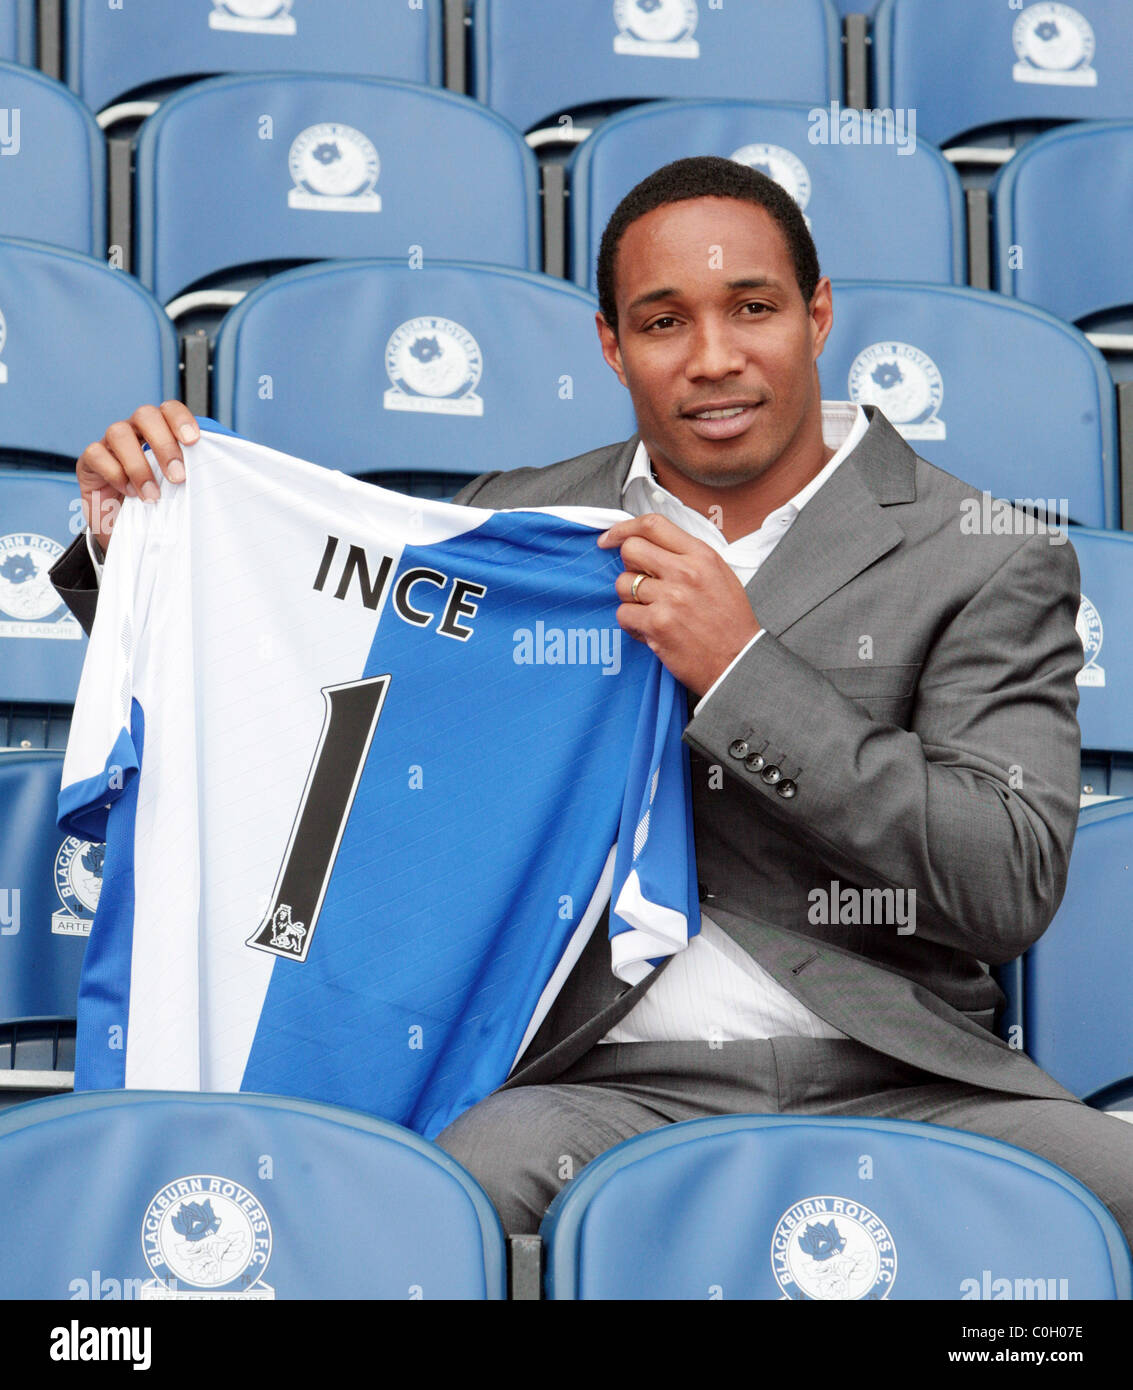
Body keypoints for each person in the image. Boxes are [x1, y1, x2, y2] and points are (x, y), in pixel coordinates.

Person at [50, 157, 1133, 1249]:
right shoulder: (512, 530)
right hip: (600, 1085)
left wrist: (742, 670)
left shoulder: (981, 554)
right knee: (422, 1215)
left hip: (909, 1077)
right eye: (663, 322)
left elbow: (1002, 881)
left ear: (816, 316)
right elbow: (315, 715)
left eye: (750, 308)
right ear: (612, 348)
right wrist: (139, 551)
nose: (713, 359)